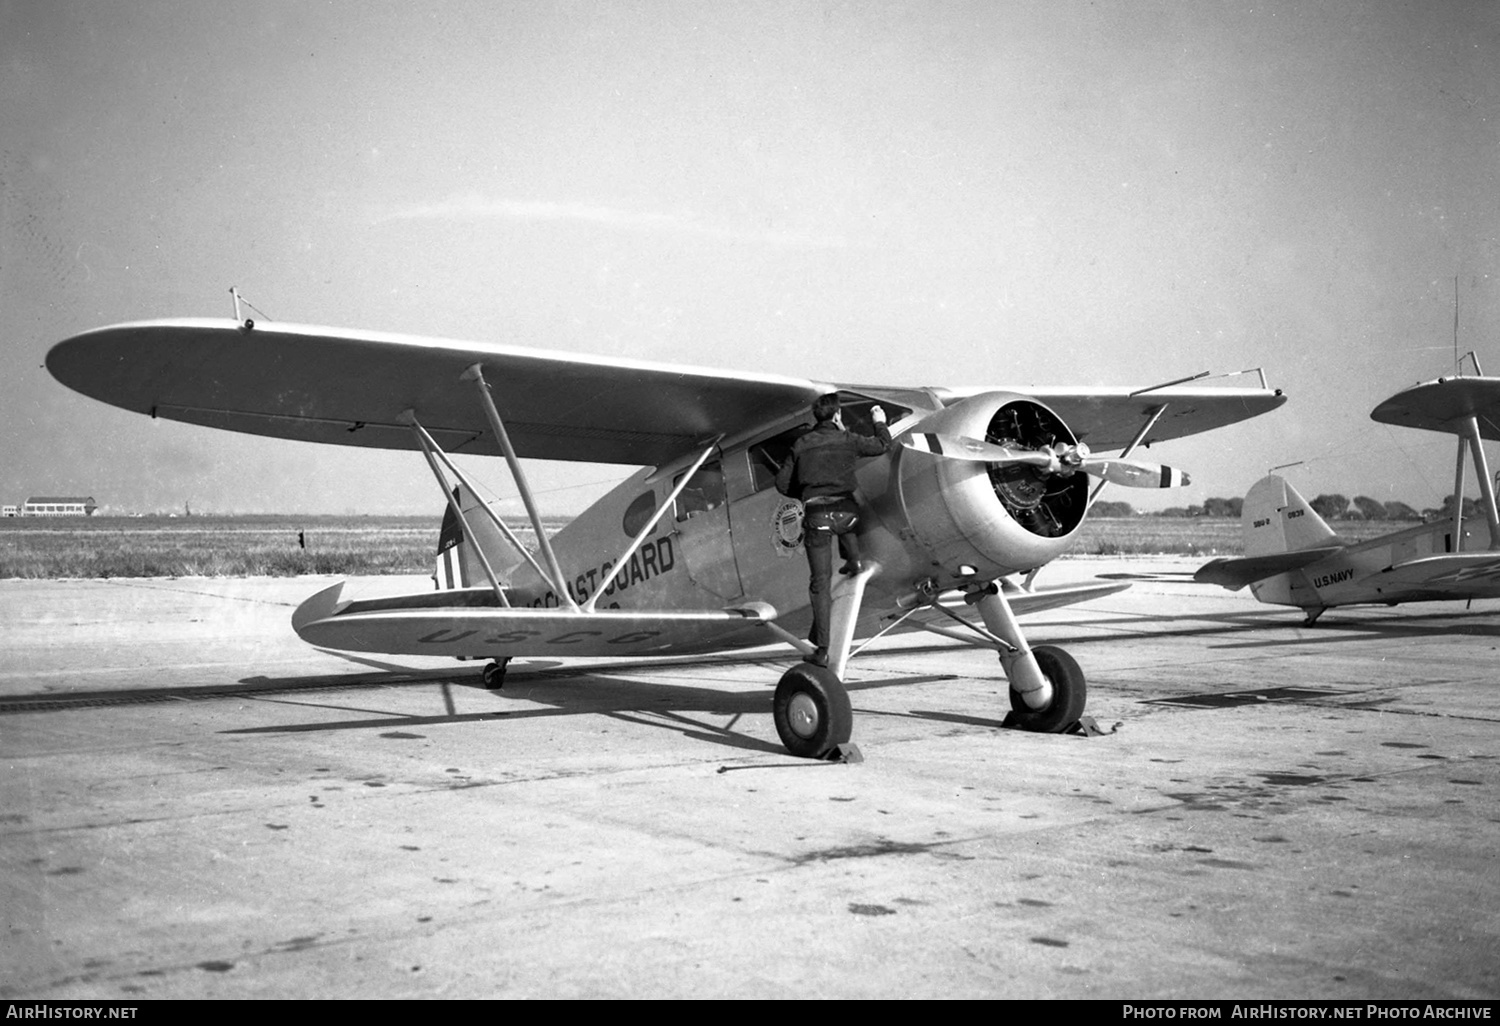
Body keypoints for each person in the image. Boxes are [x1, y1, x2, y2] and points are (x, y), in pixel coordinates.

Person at [776, 394, 893, 667]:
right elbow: (882, 445)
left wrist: (806, 492)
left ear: (816, 417)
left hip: (817, 516)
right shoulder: (847, 439)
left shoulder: (801, 444)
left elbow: (782, 484)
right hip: (847, 516)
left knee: (820, 582)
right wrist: (879, 422)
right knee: (848, 529)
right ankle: (853, 561)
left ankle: (822, 649)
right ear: (838, 416)